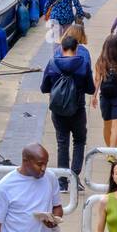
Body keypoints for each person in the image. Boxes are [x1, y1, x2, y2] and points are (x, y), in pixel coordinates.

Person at [40, 33, 95, 193]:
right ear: (76, 48)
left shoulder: (52, 64)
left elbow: (44, 88)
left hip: (58, 111)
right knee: (79, 142)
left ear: (61, 48)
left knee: (62, 143)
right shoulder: (83, 64)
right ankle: (74, 178)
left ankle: (62, 183)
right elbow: (90, 88)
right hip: (77, 109)